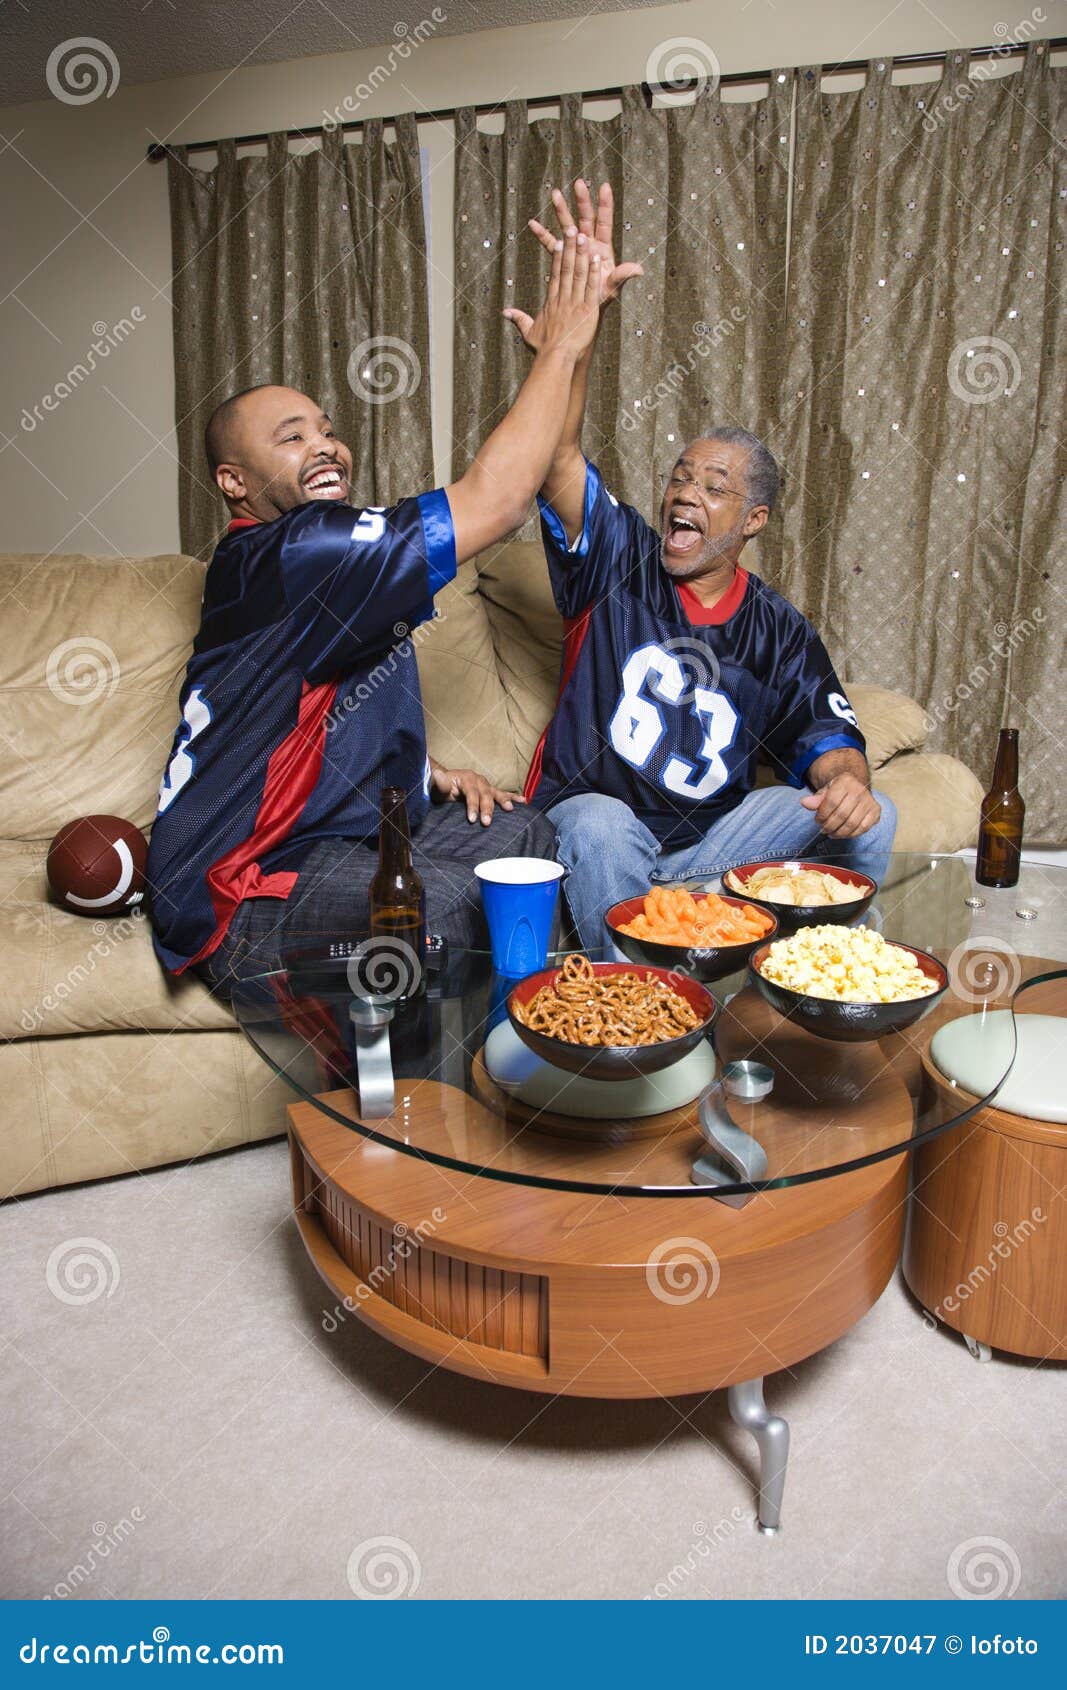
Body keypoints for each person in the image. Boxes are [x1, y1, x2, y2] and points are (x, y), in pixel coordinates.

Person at [146, 229, 604, 993]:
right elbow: (497, 499)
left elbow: (306, 708)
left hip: (340, 838)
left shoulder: (322, 564)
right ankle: (455, 1093)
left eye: (327, 429)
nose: (325, 446)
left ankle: (507, 1046)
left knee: (524, 835)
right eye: (292, 438)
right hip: (240, 885)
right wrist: (560, 350)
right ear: (234, 481)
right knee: (446, 906)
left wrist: (425, 771)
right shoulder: (296, 551)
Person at [507, 181, 897, 953]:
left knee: (870, 817)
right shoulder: (618, 561)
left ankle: (821, 980)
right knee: (595, 821)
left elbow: (826, 734)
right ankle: (645, 1009)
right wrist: (578, 338)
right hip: (598, 835)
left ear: (752, 522)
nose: (685, 494)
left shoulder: (777, 627)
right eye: (680, 477)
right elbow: (555, 457)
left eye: (714, 488)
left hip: (709, 853)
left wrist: (847, 781)